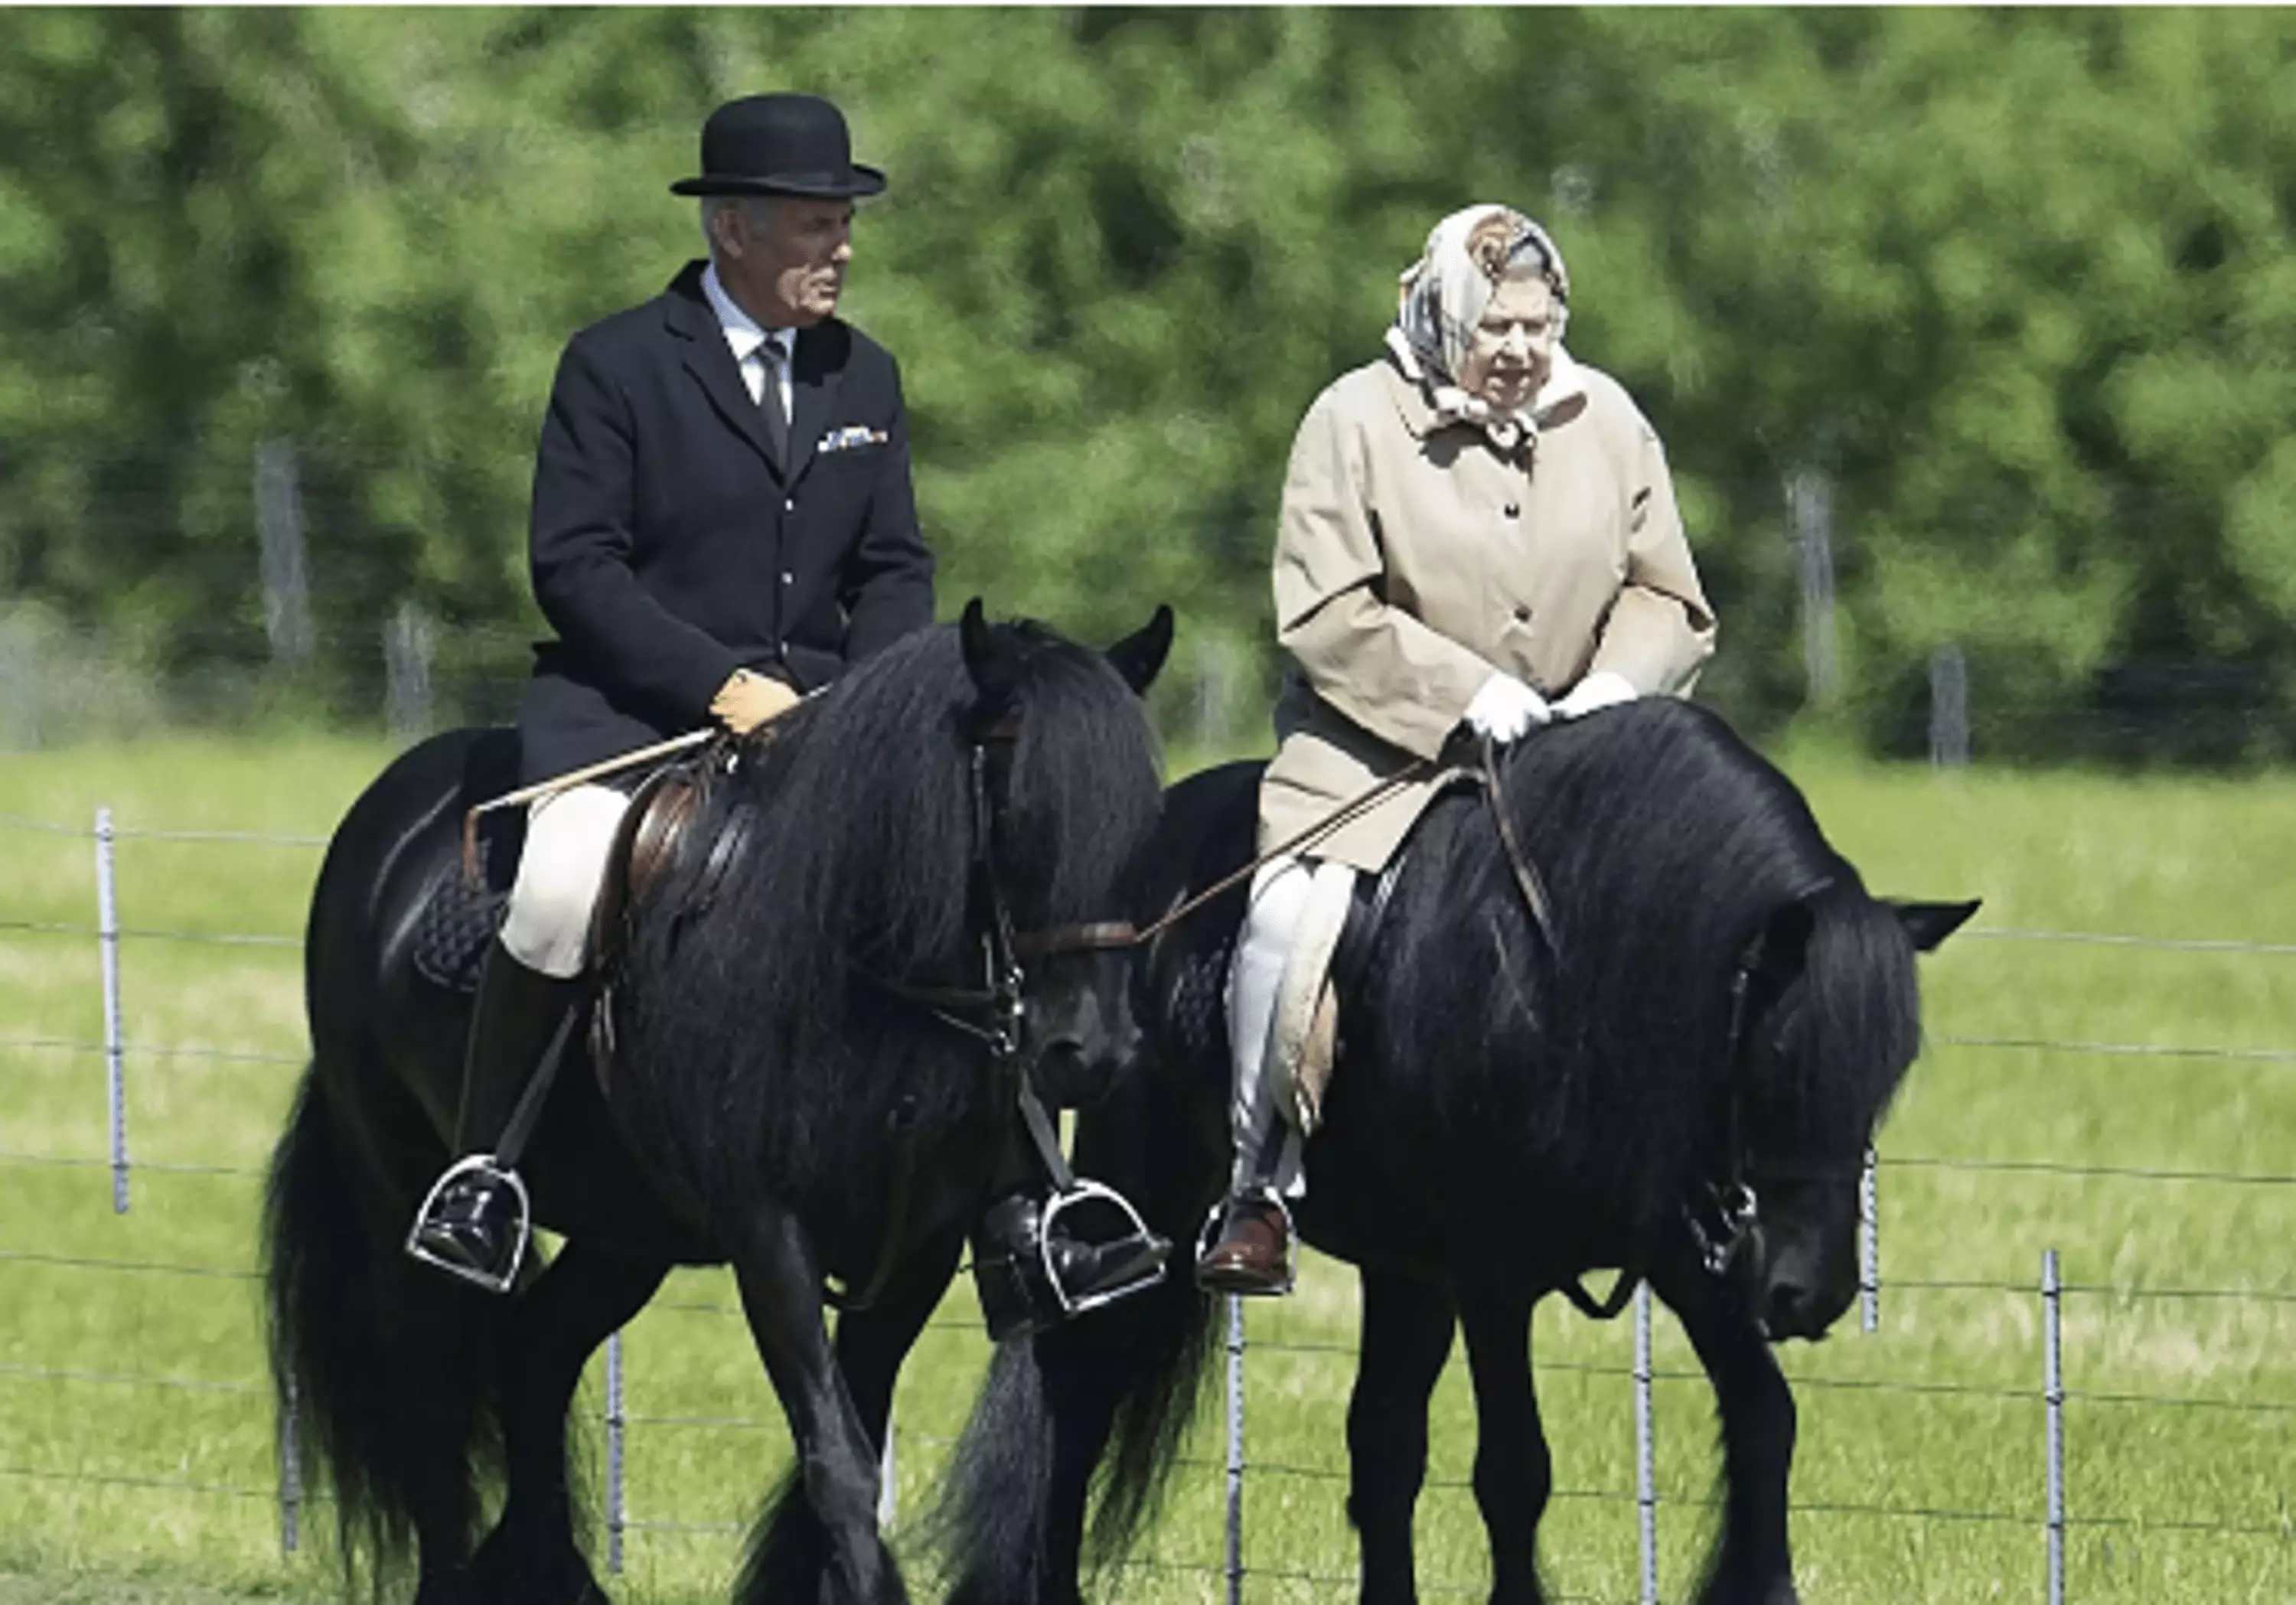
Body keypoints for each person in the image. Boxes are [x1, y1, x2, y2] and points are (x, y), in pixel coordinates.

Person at [406, 93, 934, 1290]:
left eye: (845, 222)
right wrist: (720, 685)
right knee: (554, 886)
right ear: (734, 230)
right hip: (634, 724)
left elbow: (896, 568)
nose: (841, 248)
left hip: (822, 728)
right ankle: (483, 1176)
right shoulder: (617, 365)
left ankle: (1018, 1202)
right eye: (814, 225)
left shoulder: (867, 377)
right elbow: (574, 569)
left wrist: (861, 707)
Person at [1195, 204, 1719, 1296]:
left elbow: (1668, 592)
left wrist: (1610, 692)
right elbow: (1325, 613)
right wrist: (1464, 691)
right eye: (1497, 328)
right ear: (1441, 315)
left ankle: (1707, 1180)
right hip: (1376, 759)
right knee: (1290, 922)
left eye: (1538, 324)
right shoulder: (1350, 419)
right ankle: (1259, 1186)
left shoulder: (1610, 418)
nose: (1521, 351)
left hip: (1578, 762)